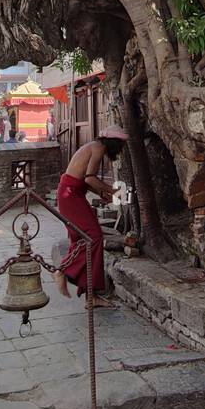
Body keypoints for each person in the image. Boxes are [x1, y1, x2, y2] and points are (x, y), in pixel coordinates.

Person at [54, 126, 128, 308]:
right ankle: (63, 270)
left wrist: (102, 194)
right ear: (113, 143)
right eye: (120, 147)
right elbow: (89, 178)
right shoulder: (98, 147)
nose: (120, 151)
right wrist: (112, 190)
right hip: (70, 195)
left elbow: (86, 181)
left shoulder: (94, 146)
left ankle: (91, 296)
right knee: (93, 236)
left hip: (73, 193)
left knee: (82, 238)